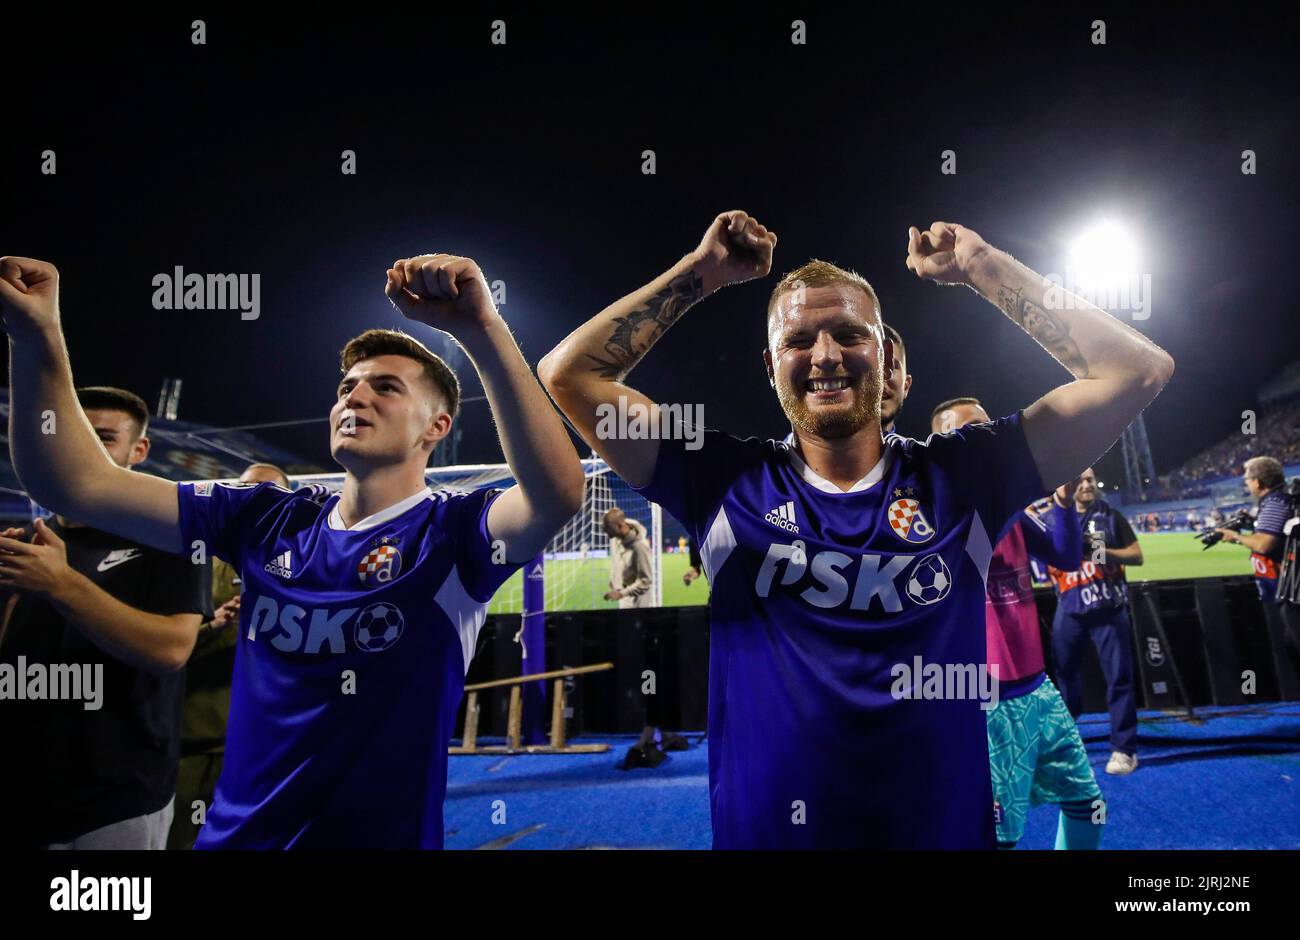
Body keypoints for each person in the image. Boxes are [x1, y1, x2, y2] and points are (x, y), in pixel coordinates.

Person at [539, 211, 1173, 847]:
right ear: (771, 365)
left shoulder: (968, 475)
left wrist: (982, 267)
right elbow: (569, 375)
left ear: (885, 354)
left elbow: (1137, 370)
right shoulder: (720, 479)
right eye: (798, 341)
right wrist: (700, 273)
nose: (825, 356)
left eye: (848, 334)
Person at [1, 252, 585, 848]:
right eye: (346, 388)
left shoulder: (453, 531)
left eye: (385, 388)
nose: (355, 398)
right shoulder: (264, 516)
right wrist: (35, 332)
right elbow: (73, 482)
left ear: (436, 427)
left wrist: (481, 328)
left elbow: (558, 493)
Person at [0, 386, 212, 849]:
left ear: (139, 450)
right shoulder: (25, 541)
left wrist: (60, 584)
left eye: (105, 438)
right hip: (20, 789)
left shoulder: (170, 535)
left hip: (115, 800)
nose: (84, 449)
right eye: (75, 435)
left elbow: (170, 650)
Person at [931, 398, 1102, 849]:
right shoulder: (936, 511)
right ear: (940, 446)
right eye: (968, 430)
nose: (986, 437)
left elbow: (1066, 556)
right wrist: (1027, 480)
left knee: (1088, 805)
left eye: (988, 426)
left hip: (1038, 689)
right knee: (1001, 835)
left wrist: (1063, 500)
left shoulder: (1011, 508)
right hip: (987, 700)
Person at [167, 462, 298, 850]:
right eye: (245, 490)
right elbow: (164, 646)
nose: (255, 501)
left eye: (268, 494)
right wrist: (215, 626)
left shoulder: (306, 568)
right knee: (182, 839)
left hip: (270, 745)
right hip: (196, 741)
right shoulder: (198, 561)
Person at [1045, 467, 1144, 775]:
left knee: (1119, 678)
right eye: (1080, 479)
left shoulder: (1111, 517)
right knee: (1064, 676)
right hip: (1069, 607)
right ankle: (1067, 741)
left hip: (1107, 607)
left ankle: (1124, 749)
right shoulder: (1052, 518)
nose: (1086, 484)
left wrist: (1102, 551)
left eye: (1090, 479)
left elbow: (1137, 555)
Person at [1215, 456, 1290, 602]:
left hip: (1285, 585)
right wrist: (1253, 524)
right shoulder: (1279, 499)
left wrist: (1235, 536)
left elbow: (1263, 544)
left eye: (1247, 479)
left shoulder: (1275, 502)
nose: (1246, 483)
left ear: (1257, 482)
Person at [603, 507, 654, 608]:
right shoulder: (616, 538)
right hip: (623, 592)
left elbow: (646, 581)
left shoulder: (640, 547)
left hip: (639, 597)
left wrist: (622, 594)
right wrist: (615, 582)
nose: (605, 531)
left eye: (607, 527)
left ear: (619, 526)